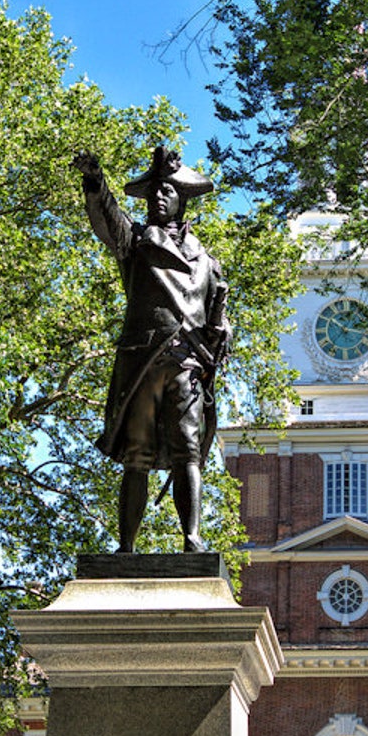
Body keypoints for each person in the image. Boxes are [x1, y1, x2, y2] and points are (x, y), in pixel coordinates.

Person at [72, 146, 229, 553]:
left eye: (167, 191)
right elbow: (107, 219)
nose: (158, 196)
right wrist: (95, 181)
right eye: (154, 191)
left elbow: (217, 328)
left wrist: (220, 331)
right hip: (143, 361)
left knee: (188, 451)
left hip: (187, 363)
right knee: (137, 456)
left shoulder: (207, 262)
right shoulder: (136, 241)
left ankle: (192, 539)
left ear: (182, 200)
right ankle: (125, 547)